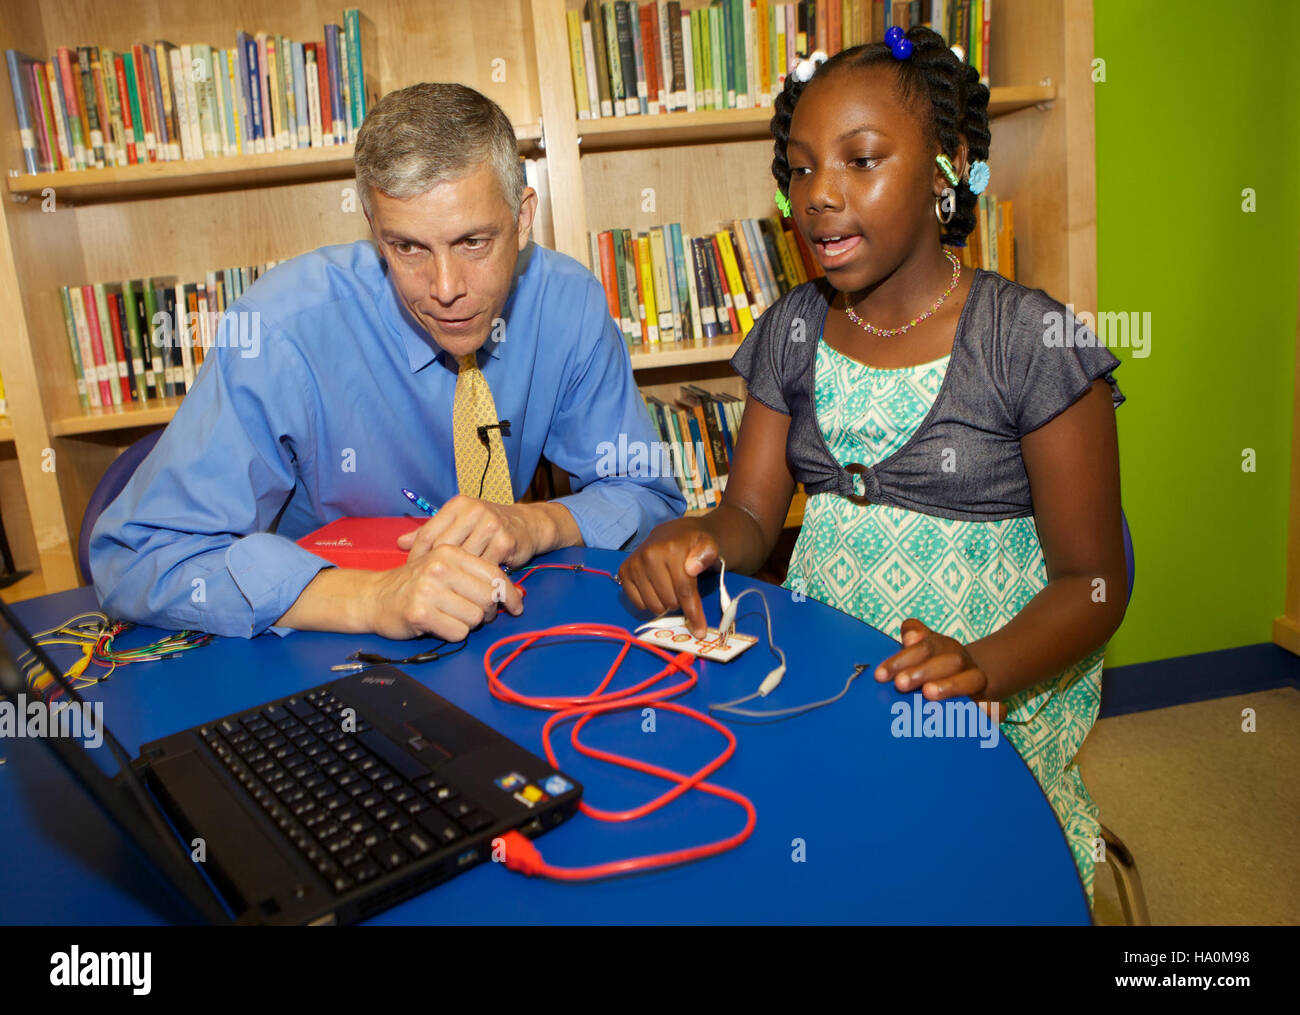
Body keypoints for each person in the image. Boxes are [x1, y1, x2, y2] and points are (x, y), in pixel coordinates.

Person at [617, 28, 1128, 905]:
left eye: (861, 161)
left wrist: (984, 666)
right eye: (802, 168)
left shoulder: (1030, 340)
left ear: (947, 167)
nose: (821, 197)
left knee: (942, 870)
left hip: (996, 685)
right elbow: (748, 518)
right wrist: (697, 538)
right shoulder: (791, 331)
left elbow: (1095, 580)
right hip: (830, 666)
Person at [91, 82, 684, 642]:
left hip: (504, 633)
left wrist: (536, 523)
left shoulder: (568, 303)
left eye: (474, 242)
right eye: (408, 248)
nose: (446, 287)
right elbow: (134, 559)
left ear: (524, 217)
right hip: (320, 650)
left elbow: (648, 495)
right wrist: (372, 599)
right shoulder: (279, 331)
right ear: (375, 231)